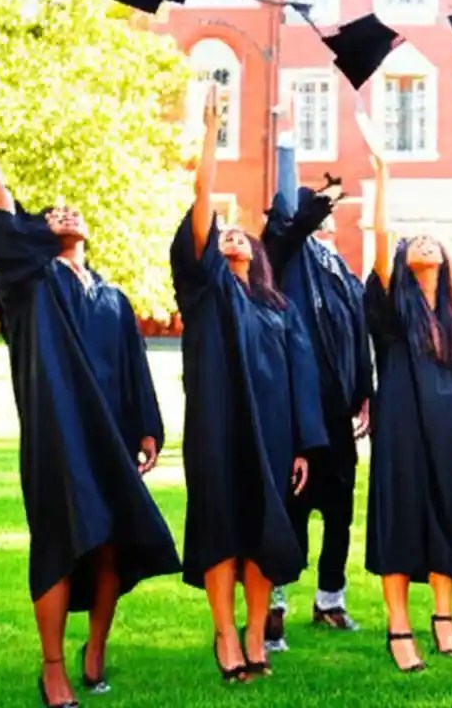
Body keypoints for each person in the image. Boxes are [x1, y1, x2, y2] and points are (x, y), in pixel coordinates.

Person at [0, 95, 181, 708]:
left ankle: (95, 649)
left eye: (74, 208)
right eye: (52, 210)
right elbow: (0, 193)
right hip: (58, 433)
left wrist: (145, 428)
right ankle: (54, 666)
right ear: (35, 232)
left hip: (111, 433)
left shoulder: (111, 297)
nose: (66, 213)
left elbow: (134, 370)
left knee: (113, 539)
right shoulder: (29, 280)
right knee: (62, 540)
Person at [170, 86, 327, 683]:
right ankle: (226, 635)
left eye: (243, 235)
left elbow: (300, 377)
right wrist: (210, 131)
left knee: (264, 531)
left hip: (272, 433)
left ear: (258, 254)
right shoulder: (206, 288)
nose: (232, 235)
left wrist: (301, 445)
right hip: (216, 426)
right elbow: (202, 196)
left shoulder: (277, 307)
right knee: (221, 528)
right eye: (224, 233)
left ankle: (258, 634)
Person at [360, 116, 452, 673]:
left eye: (432, 239)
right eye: (415, 240)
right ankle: (398, 625)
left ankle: (442, 618)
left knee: (445, 517)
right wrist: (384, 175)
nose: (423, 241)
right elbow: (382, 238)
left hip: (449, 438)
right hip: (400, 434)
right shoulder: (393, 310)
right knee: (399, 519)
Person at [262, 103, 372, 650]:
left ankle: (330, 599)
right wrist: (295, 164)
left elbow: (359, 334)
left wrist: (366, 393)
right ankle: (274, 605)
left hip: (339, 409)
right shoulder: (284, 256)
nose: (324, 212)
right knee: (292, 506)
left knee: (339, 510)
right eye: (316, 207)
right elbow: (286, 222)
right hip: (296, 406)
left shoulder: (341, 269)